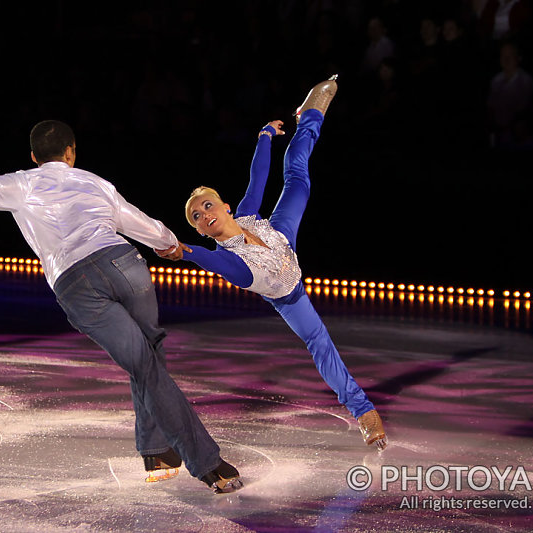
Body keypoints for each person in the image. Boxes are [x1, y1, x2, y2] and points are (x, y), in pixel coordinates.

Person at [0, 120, 242, 493]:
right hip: (124, 265)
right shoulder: (95, 182)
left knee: (144, 364)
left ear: (34, 157)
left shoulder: (23, 183)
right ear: (71, 152)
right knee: (149, 357)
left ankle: (202, 462)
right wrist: (168, 243)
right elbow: (135, 220)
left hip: (76, 284)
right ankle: (159, 450)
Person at [162, 77, 388, 451]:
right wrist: (180, 250)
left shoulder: (248, 214)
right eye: (196, 217)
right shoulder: (227, 260)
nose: (204, 214)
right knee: (319, 341)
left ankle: (309, 117)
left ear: (224, 207)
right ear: (201, 231)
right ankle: (363, 410)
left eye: (207, 205)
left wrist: (264, 136)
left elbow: (258, 176)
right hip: (288, 293)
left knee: (297, 176)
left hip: (281, 236)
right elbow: (202, 257)